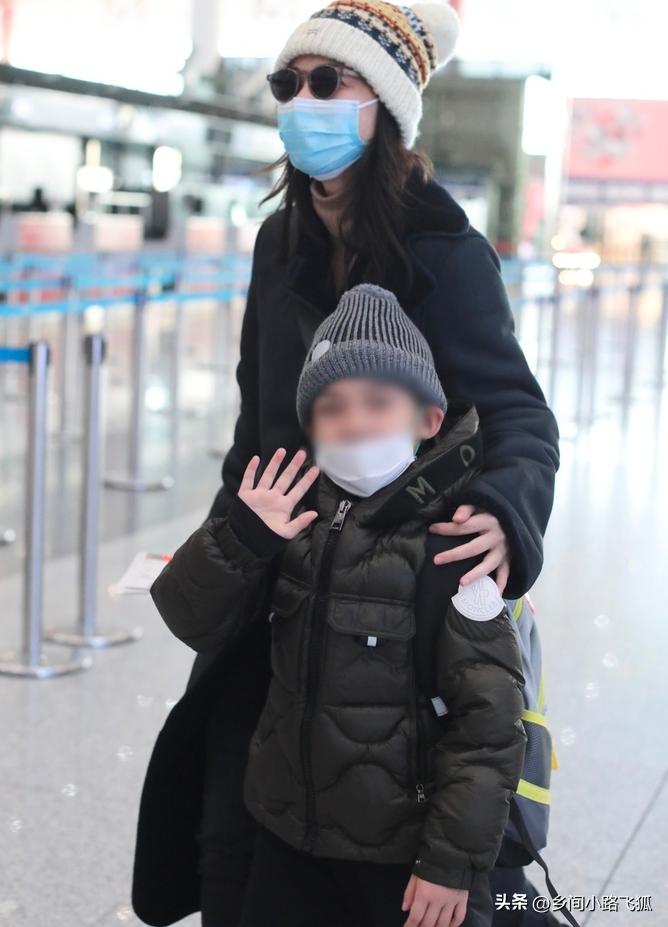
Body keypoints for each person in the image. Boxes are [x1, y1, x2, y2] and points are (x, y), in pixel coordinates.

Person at [131, 3, 561, 926]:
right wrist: (233, 543)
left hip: (398, 579)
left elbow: (518, 411)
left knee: (371, 800)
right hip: (282, 556)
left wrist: (503, 511)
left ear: (387, 109)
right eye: (290, 85)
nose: (303, 102)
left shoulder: (444, 248)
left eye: (330, 83)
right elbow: (257, 423)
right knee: (233, 807)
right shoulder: (276, 241)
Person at [150, 283, 528, 927]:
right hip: (285, 834)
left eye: (379, 402)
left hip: (400, 856)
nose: (353, 421)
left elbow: (488, 729)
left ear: (428, 419)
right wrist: (243, 535)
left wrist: (449, 865)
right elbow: (192, 619)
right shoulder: (292, 521)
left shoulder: (453, 546)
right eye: (331, 407)